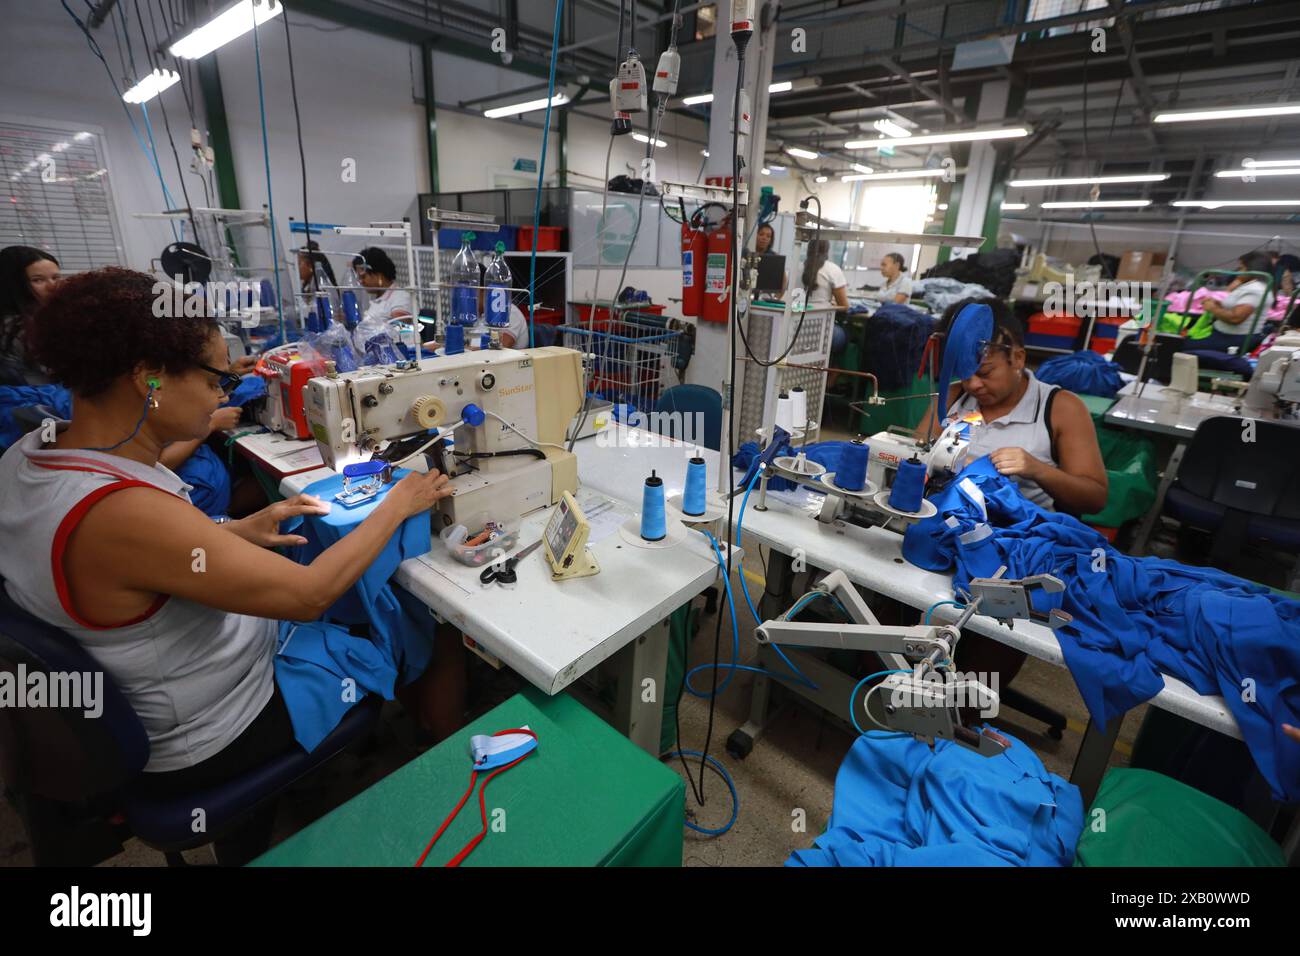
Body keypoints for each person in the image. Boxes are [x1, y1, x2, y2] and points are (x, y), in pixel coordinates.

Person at [0, 268, 464, 862]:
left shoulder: (33, 452)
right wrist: (401, 500)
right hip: (208, 735)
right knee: (421, 616)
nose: (226, 394)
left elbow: (127, 564)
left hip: (155, 690)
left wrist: (227, 532)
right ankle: (440, 772)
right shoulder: (121, 513)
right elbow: (308, 595)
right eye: (219, 378)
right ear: (149, 379)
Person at [915, 298, 1108, 516]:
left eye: (984, 372)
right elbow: (916, 453)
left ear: (1017, 358)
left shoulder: (1061, 409)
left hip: (1019, 532)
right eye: (964, 373)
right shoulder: (952, 396)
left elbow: (1095, 499)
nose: (972, 384)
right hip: (949, 517)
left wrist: (1037, 469)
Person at [0, 246, 62, 386]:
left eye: (55, 277)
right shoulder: (15, 328)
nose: (52, 286)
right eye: (38, 280)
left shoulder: (47, 315)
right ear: (14, 286)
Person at [1195, 251, 1276, 352]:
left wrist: (1213, 308)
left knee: (1183, 345)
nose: (1238, 271)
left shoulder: (1255, 290)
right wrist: (1219, 304)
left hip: (1232, 340)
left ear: (1253, 270)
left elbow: (1235, 318)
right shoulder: (1253, 286)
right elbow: (1237, 306)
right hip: (1225, 335)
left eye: (1241, 268)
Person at [352, 246, 412, 325]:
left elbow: (399, 328)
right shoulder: (376, 298)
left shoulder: (401, 297)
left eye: (363, 277)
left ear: (378, 275)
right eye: (359, 278)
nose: (360, 281)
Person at [803, 240, 848, 311]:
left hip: (793, 317)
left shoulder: (796, 267)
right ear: (826, 251)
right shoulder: (833, 269)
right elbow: (844, 306)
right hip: (821, 318)